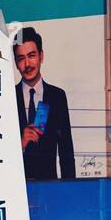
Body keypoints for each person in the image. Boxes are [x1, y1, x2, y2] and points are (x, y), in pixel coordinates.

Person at [13, 26, 76, 180]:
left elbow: (66, 151)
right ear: (16, 63)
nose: (27, 64)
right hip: (16, 186)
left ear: (41, 56)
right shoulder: (9, 97)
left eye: (31, 55)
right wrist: (20, 144)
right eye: (21, 58)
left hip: (50, 186)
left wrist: (70, 188)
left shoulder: (57, 97)